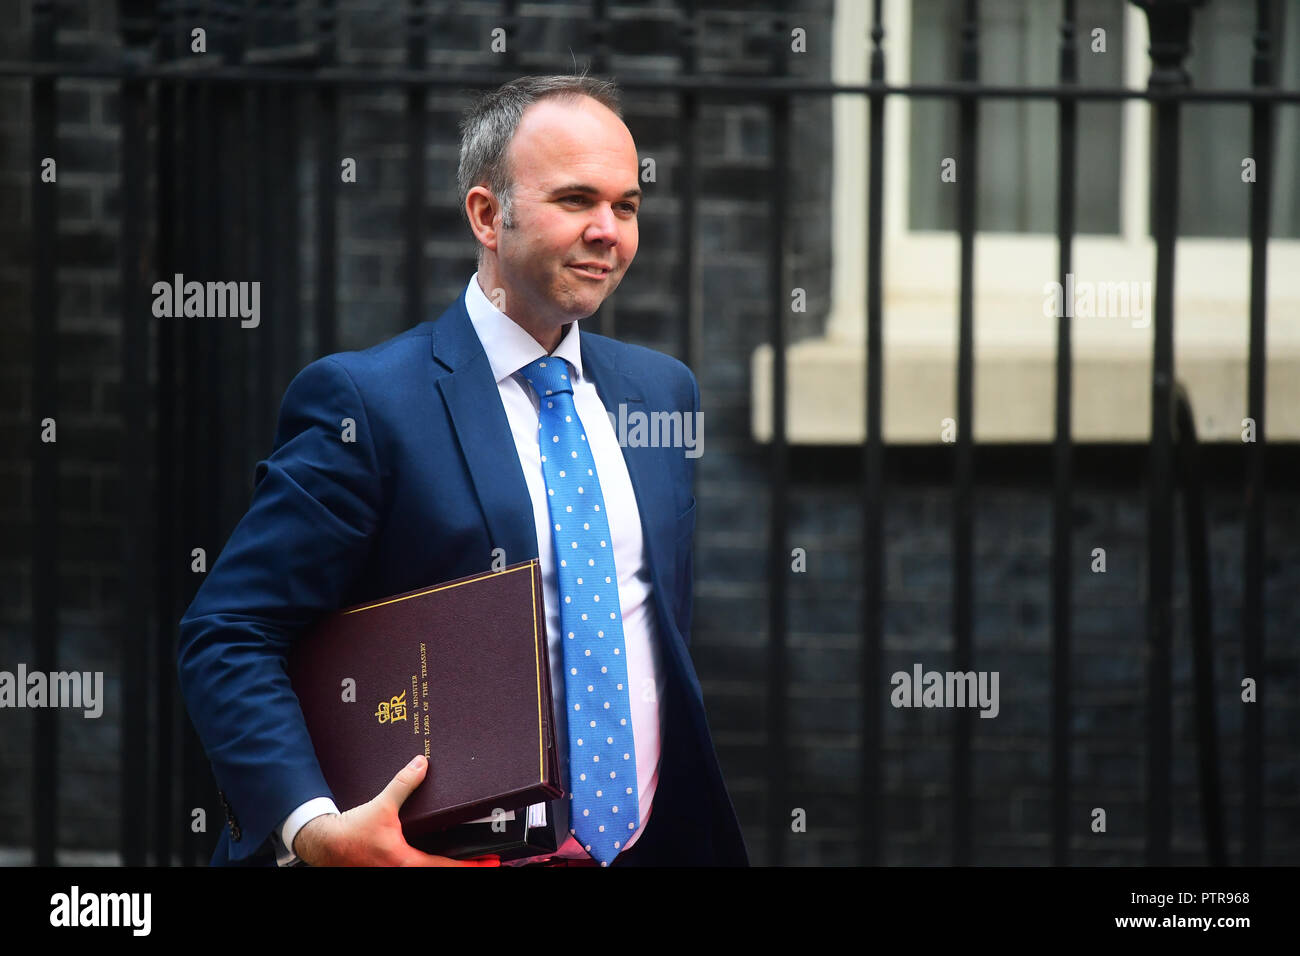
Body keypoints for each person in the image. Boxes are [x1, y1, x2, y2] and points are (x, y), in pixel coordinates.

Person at [177, 73, 748, 867]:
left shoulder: (661, 392)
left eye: (626, 205)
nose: (608, 231)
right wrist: (314, 829)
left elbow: (647, 629)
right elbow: (228, 631)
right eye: (577, 200)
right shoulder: (367, 403)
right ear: (487, 214)